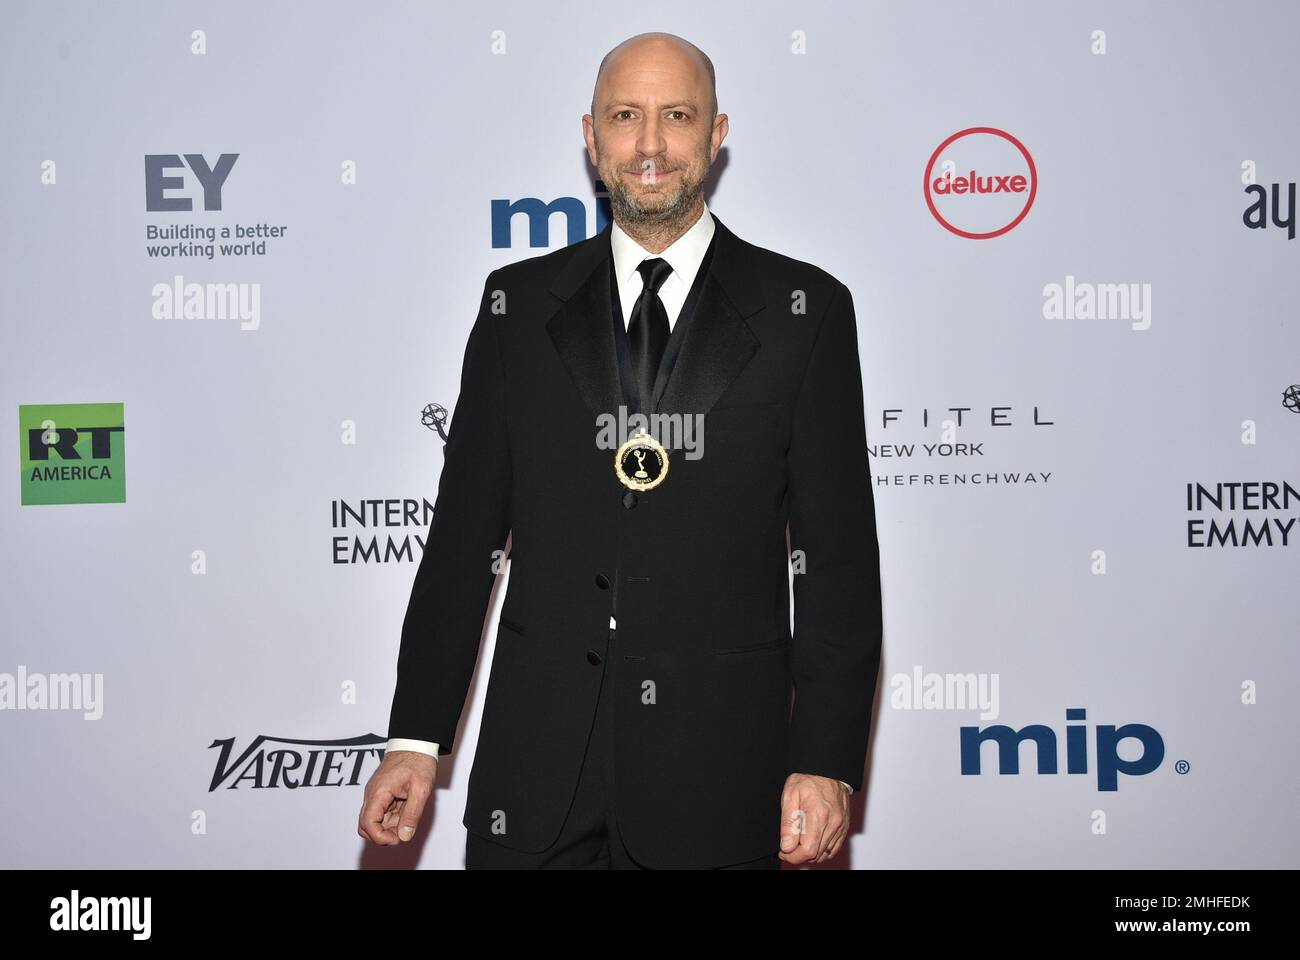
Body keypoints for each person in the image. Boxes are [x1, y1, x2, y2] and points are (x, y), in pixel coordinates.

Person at [357, 31, 882, 869]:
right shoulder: (518, 309)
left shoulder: (803, 313)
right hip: (535, 781)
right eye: (625, 117)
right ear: (591, 138)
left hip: (721, 779)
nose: (649, 145)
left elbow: (840, 563)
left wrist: (823, 760)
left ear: (716, 136)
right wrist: (417, 739)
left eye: (677, 117)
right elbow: (462, 542)